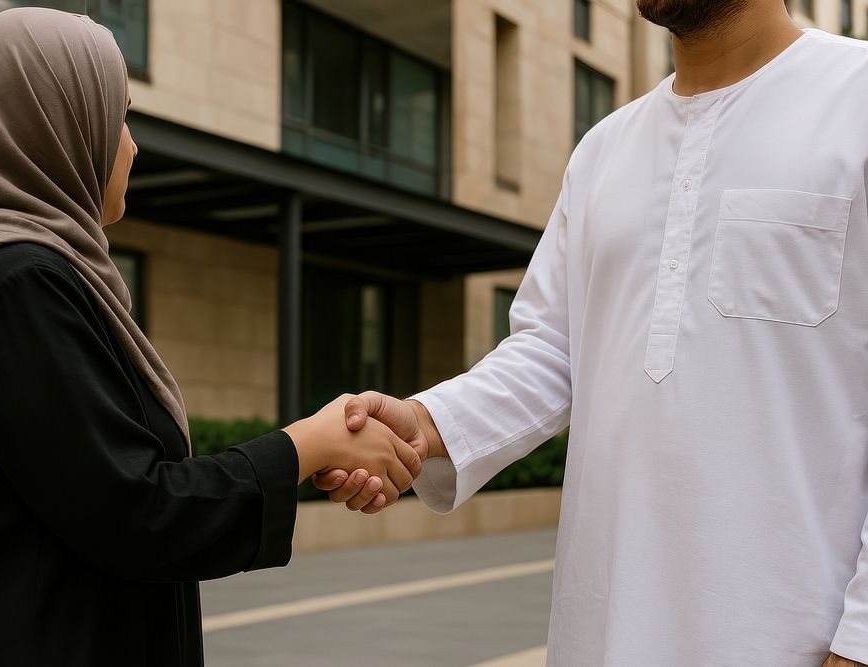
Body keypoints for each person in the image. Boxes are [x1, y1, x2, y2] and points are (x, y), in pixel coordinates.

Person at [322, 1, 868, 665]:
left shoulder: (855, 99)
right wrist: (422, 421)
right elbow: (550, 352)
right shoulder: (605, 149)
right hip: (603, 630)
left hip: (794, 635)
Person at [0, 8, 420, 666]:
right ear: (55, 126)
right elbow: (135, 510)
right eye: (119, 116)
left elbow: (99, 491)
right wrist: (304, 446)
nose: (132, 146)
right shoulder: (15, 284)